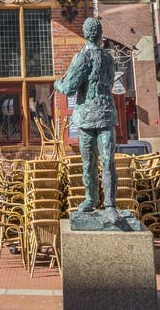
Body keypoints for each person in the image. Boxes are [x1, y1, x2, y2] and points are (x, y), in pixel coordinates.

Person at [54, 17, 118, 222]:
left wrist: (57, 83)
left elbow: (69, 88)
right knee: (107, 161)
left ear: (85, 34)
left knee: (89, 162)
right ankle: (110, 205)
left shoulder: (82, 58)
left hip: (87, 117)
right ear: (100, 34)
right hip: (105, 113)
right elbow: (109, 83)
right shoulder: (109, 58)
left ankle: (91, 198)